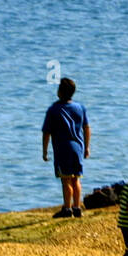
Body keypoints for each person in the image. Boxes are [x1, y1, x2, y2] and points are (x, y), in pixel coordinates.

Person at [42, 77, 90, 218]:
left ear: (59, 92)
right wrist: (87, 147)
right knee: (76, 179)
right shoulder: (80, 108)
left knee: (66, 180)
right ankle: (77, 207)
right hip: (78, 147)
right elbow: (86, 128)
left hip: (63, 148)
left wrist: (44, 151)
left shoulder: (54, 110)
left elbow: (46, 132)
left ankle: (67, 209)